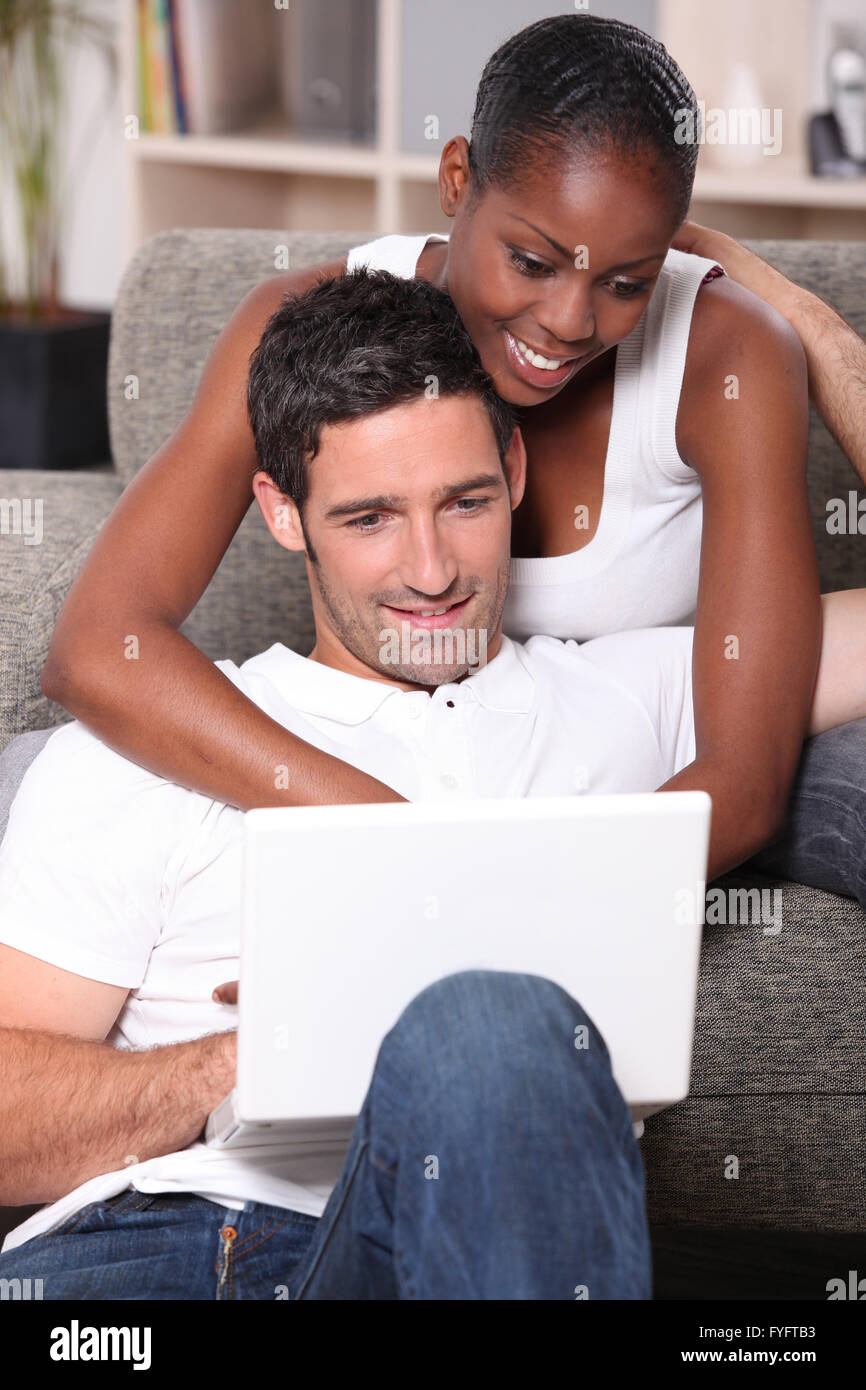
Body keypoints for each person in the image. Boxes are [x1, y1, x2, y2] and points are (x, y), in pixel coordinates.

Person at [0, 270, 860, 1301]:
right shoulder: (149, 744)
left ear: (514, 467)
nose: (430, 570)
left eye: (463, 503)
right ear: (281, 513)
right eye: (368, 519)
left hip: (469, 1249)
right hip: (182, 1251)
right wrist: (257, 1052)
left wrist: (789, 319)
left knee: (491, 1025)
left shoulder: (633, 698)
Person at [38, 16, 866, 890]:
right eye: (531, 260)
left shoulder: (727, 350)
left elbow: (740, 787)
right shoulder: (308, 331)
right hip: (394, 770)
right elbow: (97, 647)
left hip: (646, 775)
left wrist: (806, 323)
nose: (570, 322)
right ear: (456, 177)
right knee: (40, 780)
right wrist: (414, 847)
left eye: (626, 282)